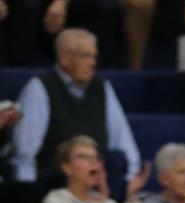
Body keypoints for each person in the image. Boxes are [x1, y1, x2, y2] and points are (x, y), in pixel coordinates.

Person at [11, 29, 141, 190]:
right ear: (64, 58)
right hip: (56, 186)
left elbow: (124, 143)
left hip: (96, 181)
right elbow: (25, 154)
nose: (93, 63)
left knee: (116, 159)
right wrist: (28, 194)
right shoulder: (40, 88)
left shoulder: (102, 87)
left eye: (94, 56)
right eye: (85, 56)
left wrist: (126, 186)